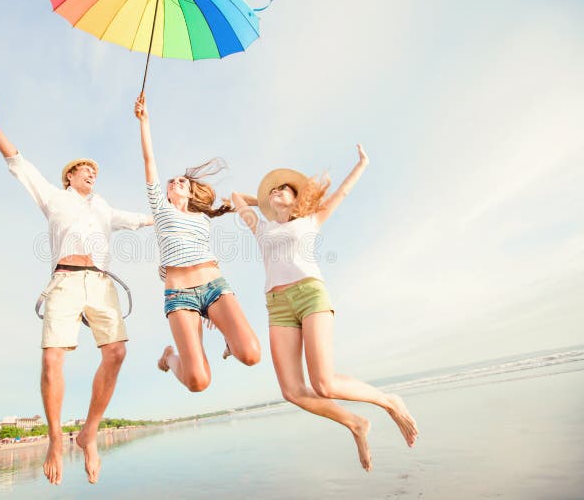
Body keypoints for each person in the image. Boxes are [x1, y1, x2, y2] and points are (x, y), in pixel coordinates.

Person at [0, 88, 153, 485]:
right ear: (69, 176)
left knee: (117, 353)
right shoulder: (53, 197)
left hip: (101, 284)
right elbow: (18, 162)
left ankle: (89, 433)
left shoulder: (103, 207)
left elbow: (142, 219)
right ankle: (54, 439)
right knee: (52, 360)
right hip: (65, 281)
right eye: (85, 170)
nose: (92, 173)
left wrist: (181, 211)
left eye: (95, 171)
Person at [231, 145, 418, 472]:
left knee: (324, 384)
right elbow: (234, 196)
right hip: (277, 306)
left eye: (284, 189)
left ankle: (389, 401)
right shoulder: (261, 227)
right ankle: (355, 423)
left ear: (297, 199)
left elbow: (343, 192)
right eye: (273, 189)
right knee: (292, 391)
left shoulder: (310, 220)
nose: (277, 190)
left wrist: (362, 164)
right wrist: (265, 201)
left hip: (310, 295)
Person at [134, 94, 261, 392]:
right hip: (179, 296)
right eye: (173, 182)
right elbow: (149, 160)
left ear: (191, 193)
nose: (176, 183)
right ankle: (169, 357)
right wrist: (145, 122)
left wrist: (265, 197)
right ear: (165, 193)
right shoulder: (160, 207)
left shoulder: (204, 216)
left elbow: (242, 201)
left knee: (251, 355)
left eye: (183, 182)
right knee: (198, 381)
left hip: (214, 286)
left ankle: (229, 335)